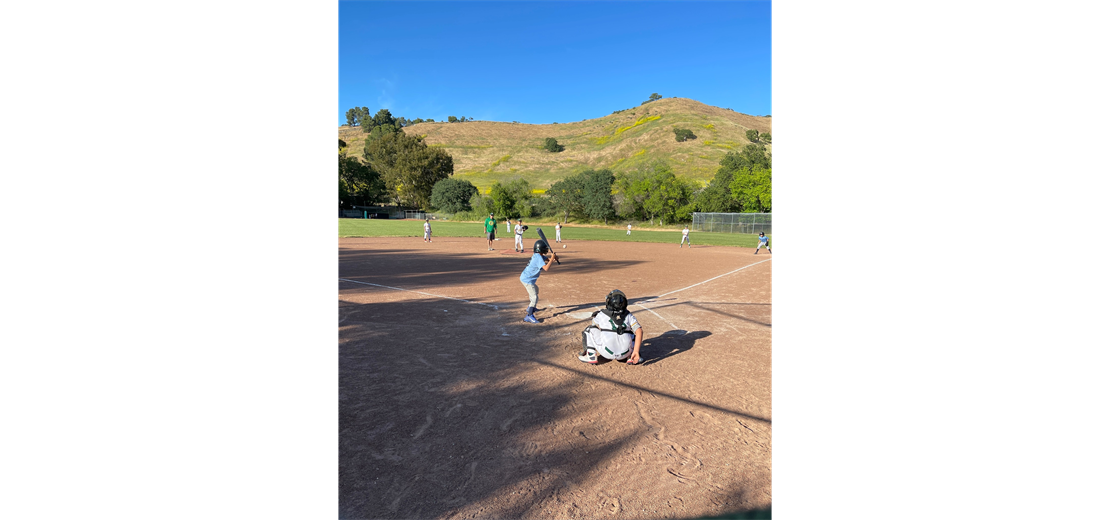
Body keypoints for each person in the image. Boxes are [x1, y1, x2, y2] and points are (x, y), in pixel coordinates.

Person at [578, 289, 643, 365]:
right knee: (632, 334)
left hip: (606, 352)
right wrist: (636, 351)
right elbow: (639, 331)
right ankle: (631, 355)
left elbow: (594, 324)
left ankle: (591, 355)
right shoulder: (629, 315)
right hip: (625, 353)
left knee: (589, 329)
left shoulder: (602, 314)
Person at [519, 240, 558, 323]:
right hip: (527, 279)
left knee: (536, 290)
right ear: (541, 249)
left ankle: (530, 308)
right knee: (535, 297)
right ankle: (529, 316)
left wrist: (553, 258)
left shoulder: (538, 255)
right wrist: (552, 258)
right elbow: (546, 268)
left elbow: (549, 260)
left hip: (527, 278)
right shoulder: (538, 258)